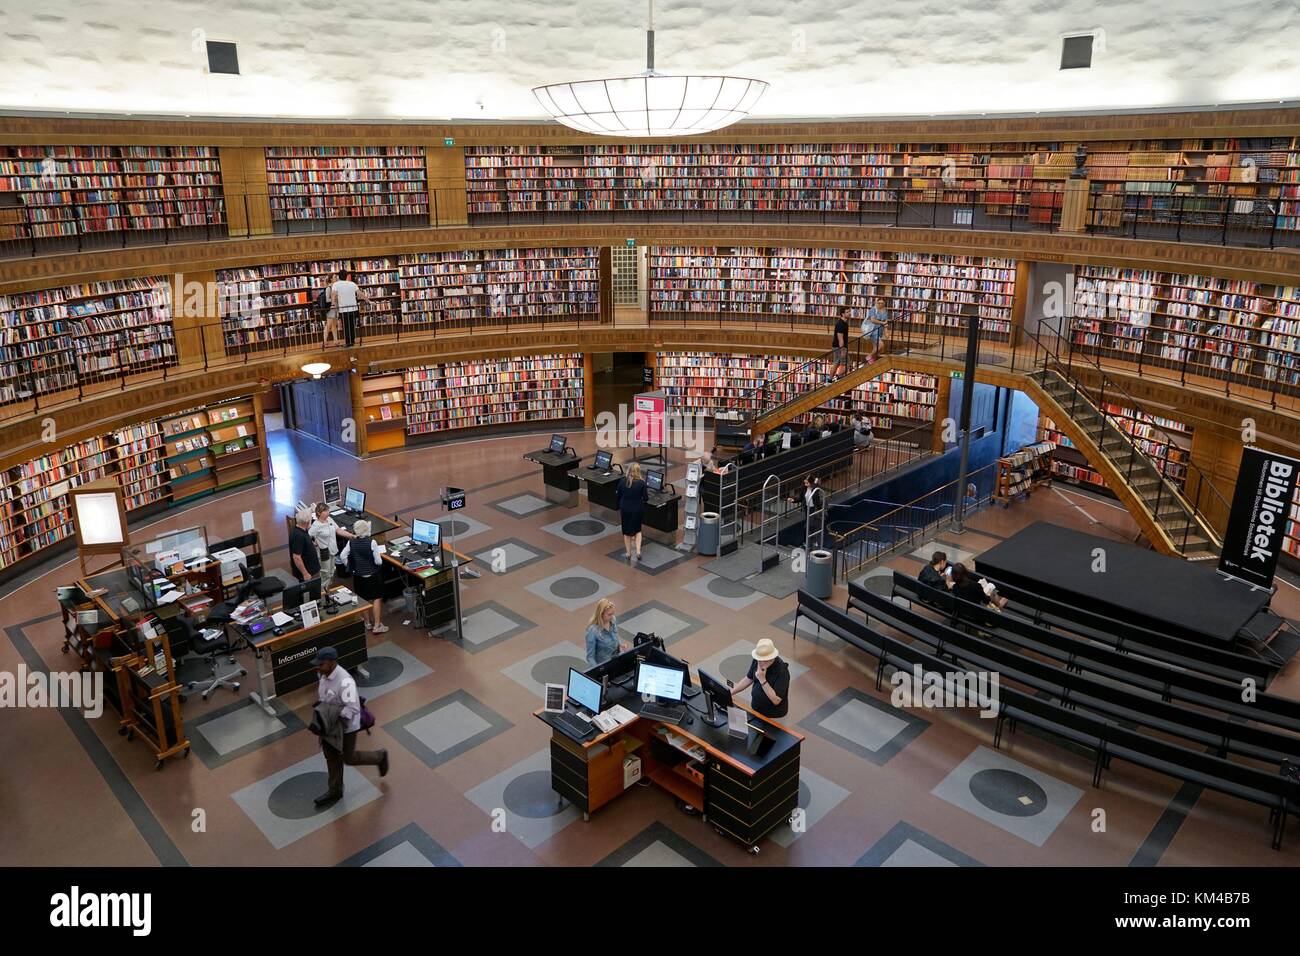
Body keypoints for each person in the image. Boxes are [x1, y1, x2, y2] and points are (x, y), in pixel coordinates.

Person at [309, 646, 388, 807]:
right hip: (329, 723)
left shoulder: (345, 682)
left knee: (348, 758)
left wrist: (332, 716)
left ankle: (380, 757)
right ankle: (335, 790)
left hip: (346, 727)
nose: (318, 667)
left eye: (321, 664)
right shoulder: (322, 674)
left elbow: (352, 708)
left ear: (332, 663)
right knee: (331, 756)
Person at [339, 519, 388, 633]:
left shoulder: (351, 542)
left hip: (358, 576)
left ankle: (367, 623)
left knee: (363, 599)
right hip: (373, 575)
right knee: (376, 598)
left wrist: (350, 566)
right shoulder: (372, 542)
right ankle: (377, 626)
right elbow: (379, 562)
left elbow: (342, 556)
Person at [730, 638, 790, 719]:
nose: (759, 663)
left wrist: (762, 680)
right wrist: (731, 692)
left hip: (773, 715)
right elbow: (749, 678)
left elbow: (776, 700)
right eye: (758, 659)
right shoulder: (757, 660)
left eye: (763, 660)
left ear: (771, 659)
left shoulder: (782, 671)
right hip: (756, 708)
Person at [309, 502, 354, 593]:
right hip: (324, 553)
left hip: (333, 551)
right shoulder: (316, 525)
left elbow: (338, 530)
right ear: (319, 513)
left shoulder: (329, 519)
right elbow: (308, 536)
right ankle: (321, 594)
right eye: (325, 511)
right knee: (325, 574)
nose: (328, 512)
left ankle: (327, 592)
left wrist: (352, 536)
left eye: (328, 510)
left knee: (331, 572)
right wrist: (315, 542)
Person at [616, 462, 649, 566]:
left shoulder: (622, 481)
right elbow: (646, 498)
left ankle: (629, 553)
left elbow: (618, 496)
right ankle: (638, 552)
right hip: (638, 509)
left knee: (626, 532)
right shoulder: (642, 483)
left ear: (628, 470)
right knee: (638, 530)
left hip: (625, 509)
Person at [330, 268, 366, 347]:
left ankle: (348, 342)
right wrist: (368, 300)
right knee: (352, 325)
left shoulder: (336, 284)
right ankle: (352, 341)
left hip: (344, 309)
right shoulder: (352, 284)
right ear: (347, 276)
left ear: (339, 277)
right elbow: (360, 294)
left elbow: (333, 295)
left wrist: (333, 304)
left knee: (346, 326)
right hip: (353, 308)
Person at [585, 598, 626, 667]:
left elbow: (615, 634)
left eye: (613, 614)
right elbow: (590, 657)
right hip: (604, 666)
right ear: (601, 614)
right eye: (609, 614)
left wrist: (619, 644)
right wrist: (597, 671)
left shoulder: (612, 620)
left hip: (616, 659)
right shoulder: (593, 631)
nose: (612, 616)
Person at [288, 509, 321, 583]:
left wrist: (312, 544)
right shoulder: (298, 536)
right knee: (312, 592)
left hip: (312, 569)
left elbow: (304, 544)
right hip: (309, 573)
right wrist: (305, 574)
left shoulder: (302, 529)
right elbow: (296, 557)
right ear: (307, 522)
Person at [319, 273, 342, 348]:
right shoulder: (329, 288)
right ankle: (324, 341)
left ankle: (335, 340)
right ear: (331, 279)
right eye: (335, 277)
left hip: (335, 308)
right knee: (328, 325)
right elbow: (327, 299)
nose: (337, 278)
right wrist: (335, 298)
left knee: (334, 325)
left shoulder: (335, 287)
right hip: (331, 309)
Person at [831, 307, 850, 378]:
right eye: (847, 312)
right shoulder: (841, 324)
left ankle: (830, 380)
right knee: (847, 364)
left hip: (838, 346)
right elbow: (840, 339)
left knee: (836, 363)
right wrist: (842, 350)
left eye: (849, 312)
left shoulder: (844, 322)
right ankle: (838, 376)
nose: (849, 313)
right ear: (842, 314)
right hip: (839, 347)